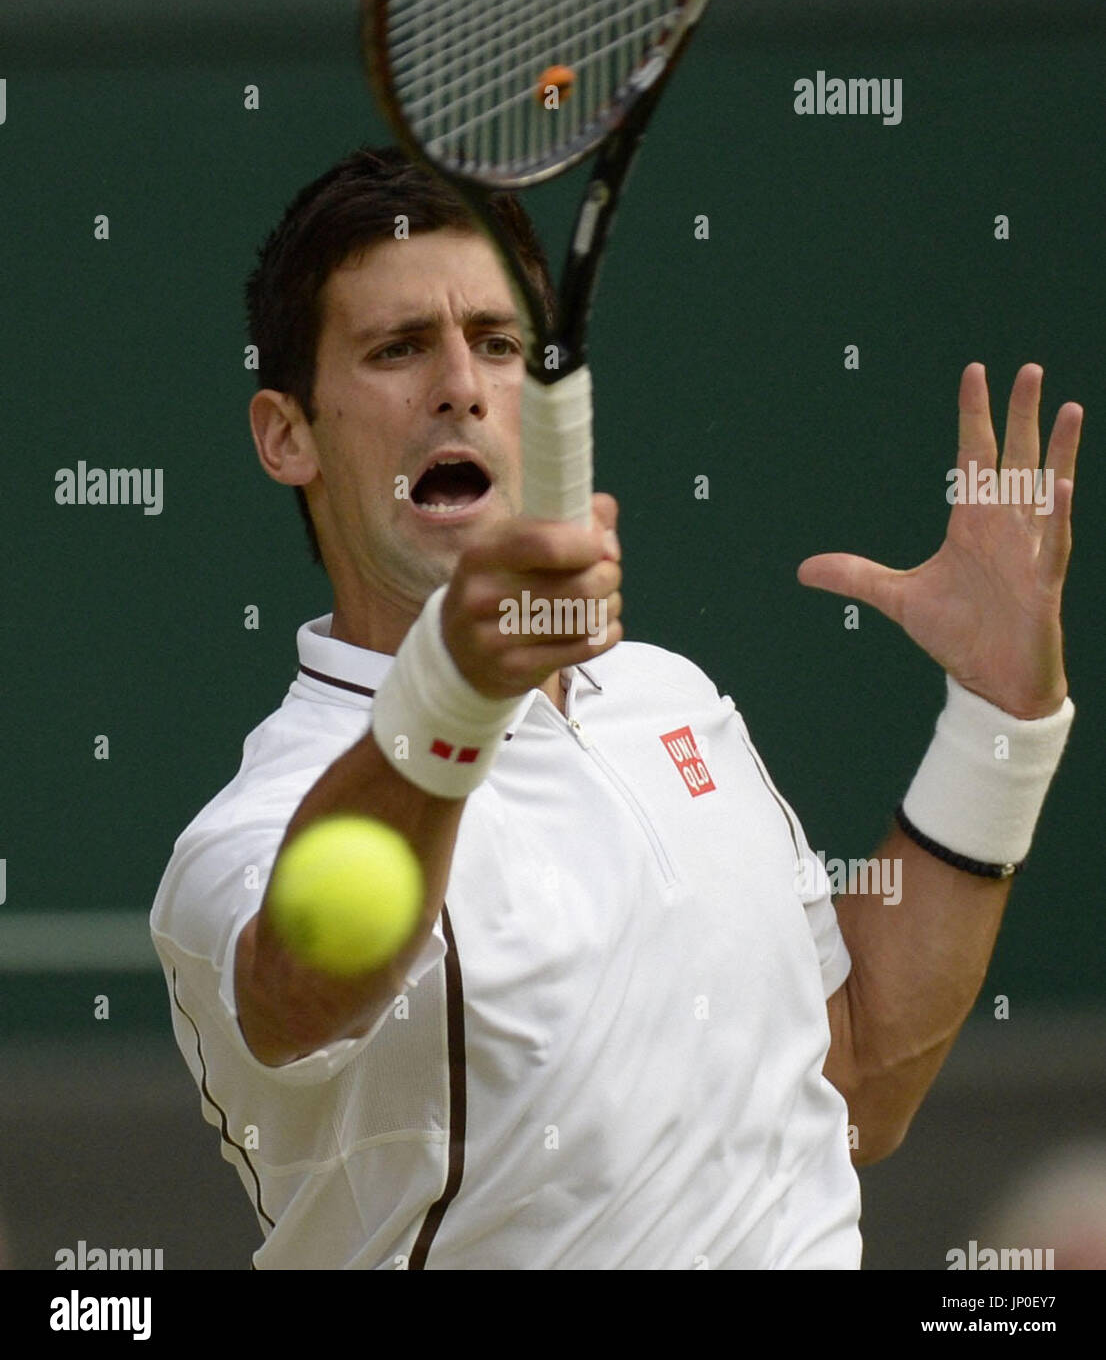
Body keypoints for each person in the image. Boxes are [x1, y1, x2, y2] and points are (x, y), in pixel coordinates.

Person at [150, 145, 1081, 1270]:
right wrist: (460, 683)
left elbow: (851, 1080)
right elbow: (297, 989)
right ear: (284, 433)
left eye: (497, 343)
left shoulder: (667, 699)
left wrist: (997, 723)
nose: (460, 382)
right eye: (399, 349)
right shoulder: (252, 830)